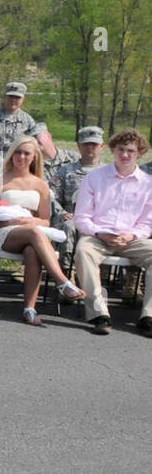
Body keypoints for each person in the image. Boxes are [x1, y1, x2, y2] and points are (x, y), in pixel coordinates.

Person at [0, 134, 85, 325]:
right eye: (18, 152)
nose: (22, 157)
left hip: (31, 235)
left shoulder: (41, 185)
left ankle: (29, 309)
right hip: (3, 235)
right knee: (34, 233)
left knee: (32, 250)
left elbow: (45, 221)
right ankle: (62, 282)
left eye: (27, 153)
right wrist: (14, 221)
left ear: (34, 157)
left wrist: (32, 223)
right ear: (11, 155)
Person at [71, 128, 152, 336]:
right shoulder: (95, 178)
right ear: (112, 151)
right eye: (121, 150)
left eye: (131, 151)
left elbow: (147, 223)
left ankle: (148, 316)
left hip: (131, 238)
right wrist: (100, 233)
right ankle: (99, 314)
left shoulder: (147, 184)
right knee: (83, 251)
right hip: (98, 235)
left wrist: (132, 235)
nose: (125, 155)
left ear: (140, 153)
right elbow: (81, 218)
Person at [50, 125, 105, 258]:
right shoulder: (65, 171)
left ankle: (102, 274)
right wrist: (63, 214)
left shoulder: (109, 173)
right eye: (86, 144)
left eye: (94, 144)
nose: (90, 147)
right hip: (71, 218)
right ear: (79, 146)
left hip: (100, 220)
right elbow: (51, 197)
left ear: (102, 146)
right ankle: (67, 273)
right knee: (69, 227)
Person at [0, 81, 35, 174]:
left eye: (17, 97)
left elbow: (33, 146)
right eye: (10, 97)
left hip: (20, 167)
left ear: (23, 99)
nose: (13, 100)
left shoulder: (28, 121)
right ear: (5, 97)